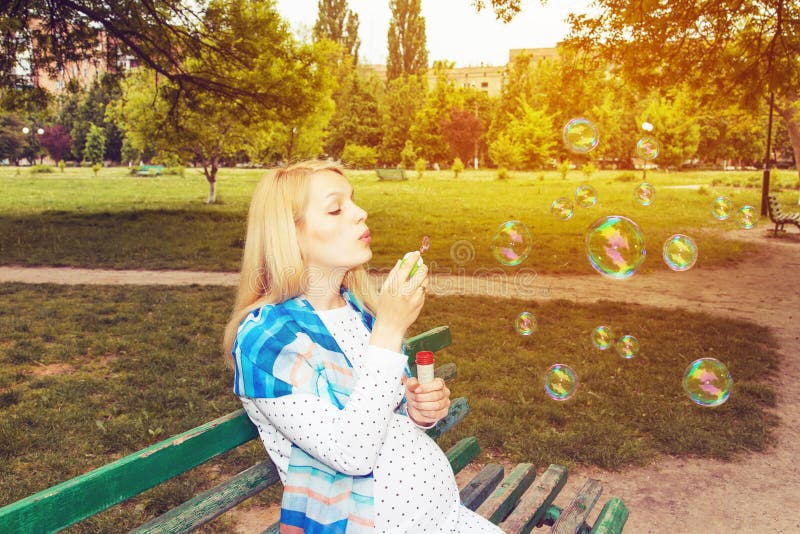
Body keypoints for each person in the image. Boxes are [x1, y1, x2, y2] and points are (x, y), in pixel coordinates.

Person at [223, 160, 502, 533]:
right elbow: (351, 452)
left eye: (353, 201)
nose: (360, 213)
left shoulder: (357, 311)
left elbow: (383, 409)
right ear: (289, 235)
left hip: (444, 520)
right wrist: (389, 329)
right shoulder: (267, 340)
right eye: (336, 208)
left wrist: (419, 410)